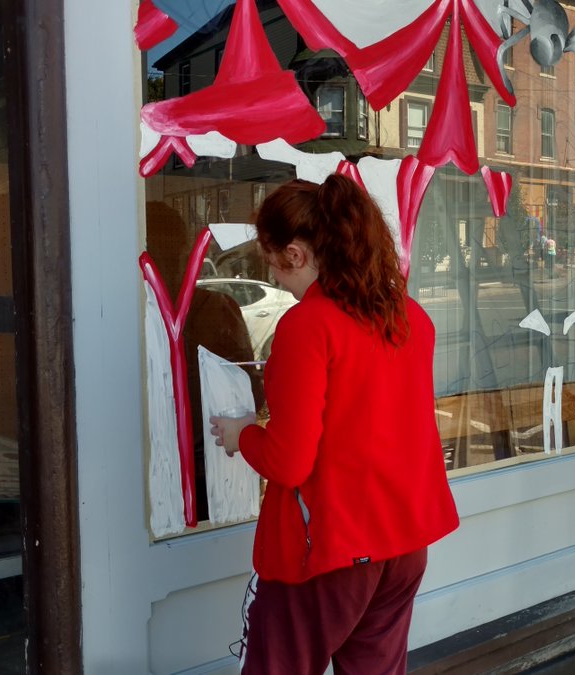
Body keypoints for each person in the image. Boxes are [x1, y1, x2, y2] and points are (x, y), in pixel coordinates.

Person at [210, 175, 458, 675]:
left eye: (272, 263)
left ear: (297, 254)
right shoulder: (410, 317)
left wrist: (242, 435)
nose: (275, 279)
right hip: (404, 543)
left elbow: (289, 460)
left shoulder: (307, 326)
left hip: (332, 547)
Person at [145, 201, 263, 522]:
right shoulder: (215, 309)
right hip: (203, 466)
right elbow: (253, 390)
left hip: (208, 468)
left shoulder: (216, 309)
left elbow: (250, 389)